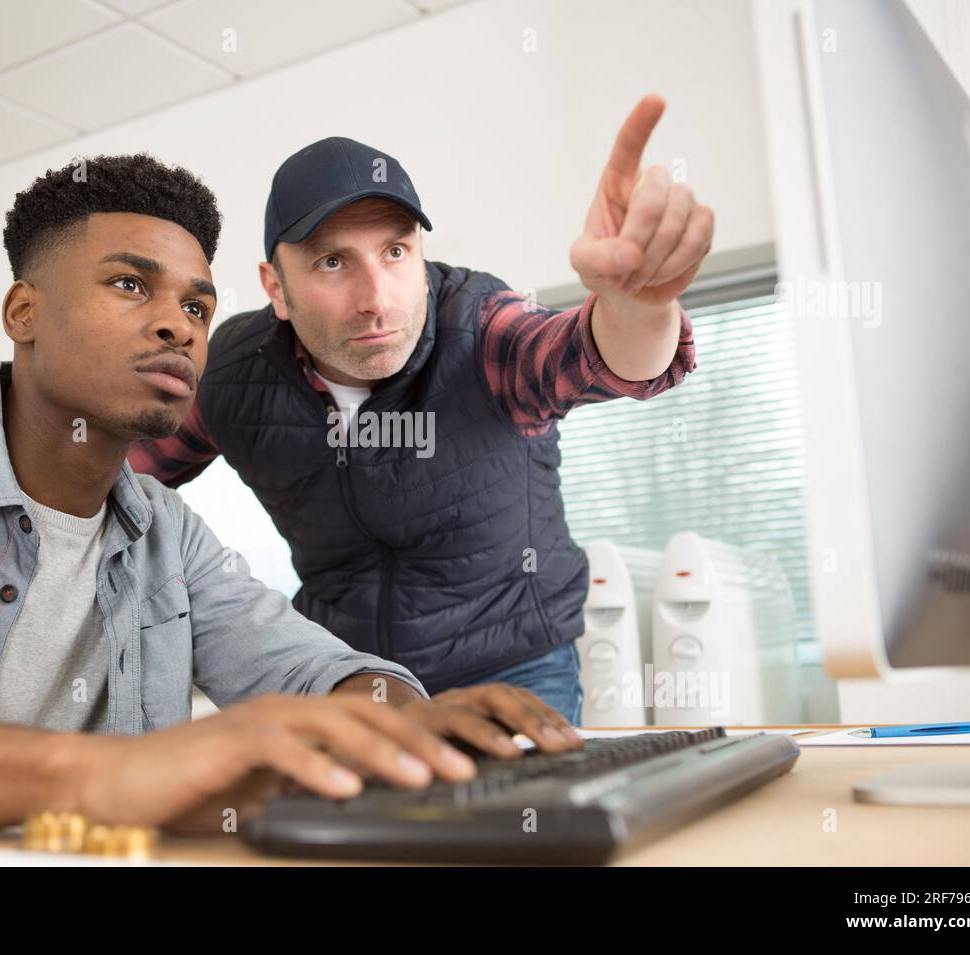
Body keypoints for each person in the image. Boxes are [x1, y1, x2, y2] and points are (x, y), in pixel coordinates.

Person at [0, 154, 583, 837]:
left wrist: (400, 721)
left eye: (198, 306)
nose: (179, 324)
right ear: (23, 311)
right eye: (131, 285)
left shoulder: (169, 538)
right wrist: (104, 777)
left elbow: (310, 668)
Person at [131, 95, 710, 723]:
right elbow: (120, 477)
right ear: (276, 286)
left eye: (396, 252)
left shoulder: (482, 328)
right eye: (332, 262)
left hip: (511, 671)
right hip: (351, 679)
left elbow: (590, 354)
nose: (376, 300)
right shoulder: (231, 374)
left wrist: (641, 305)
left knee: (516, 821)